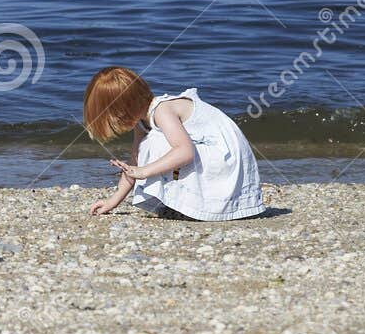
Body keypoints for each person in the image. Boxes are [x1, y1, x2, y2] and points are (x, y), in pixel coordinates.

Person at [81, 66, 264, 221]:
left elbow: (185, 152)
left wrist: (144, 171)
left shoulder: (162, 110)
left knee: (155, 142)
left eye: (112, 114)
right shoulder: (142, 121)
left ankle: (189, 203)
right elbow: (135, 163)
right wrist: (112, 201)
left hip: (225, 159)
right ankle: (179, 203)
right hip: (207, 153)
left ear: (124, 107)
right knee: (148, 144)